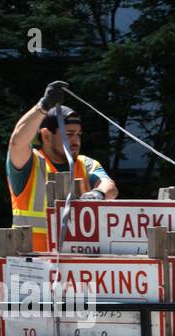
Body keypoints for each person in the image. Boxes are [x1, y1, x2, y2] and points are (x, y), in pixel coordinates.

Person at [7, 80, 118, 251]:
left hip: (74, 266)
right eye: (69, 134)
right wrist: (42, 107)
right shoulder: (31, 163)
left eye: (78, 134)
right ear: (46, 136)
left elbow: (109, 187)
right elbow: (16, 143)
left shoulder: (86, 163)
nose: (76, 140)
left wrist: (98, 194)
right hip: (33, 265)